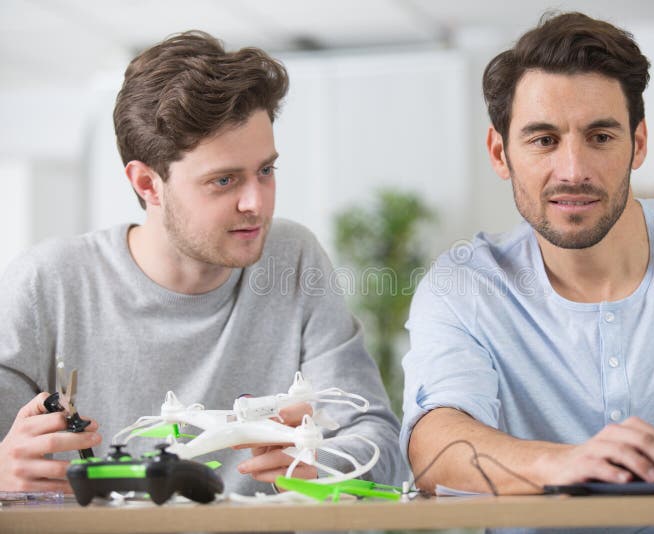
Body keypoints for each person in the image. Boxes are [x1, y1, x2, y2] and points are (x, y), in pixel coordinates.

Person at [401, 11, 654, 502]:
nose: (573, 170)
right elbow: (434, 451)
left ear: (638, 144)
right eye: (544, 140)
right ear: (500, 153)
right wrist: (567, 462)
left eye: (600, 137)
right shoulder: (463, 285)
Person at [0, 31, 402, 495]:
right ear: (148, 184)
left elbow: (380, 444)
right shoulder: (47, 283)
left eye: (266, 171)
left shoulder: (292, 258)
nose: (256, 202)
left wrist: (318, 460)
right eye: (224, 180)